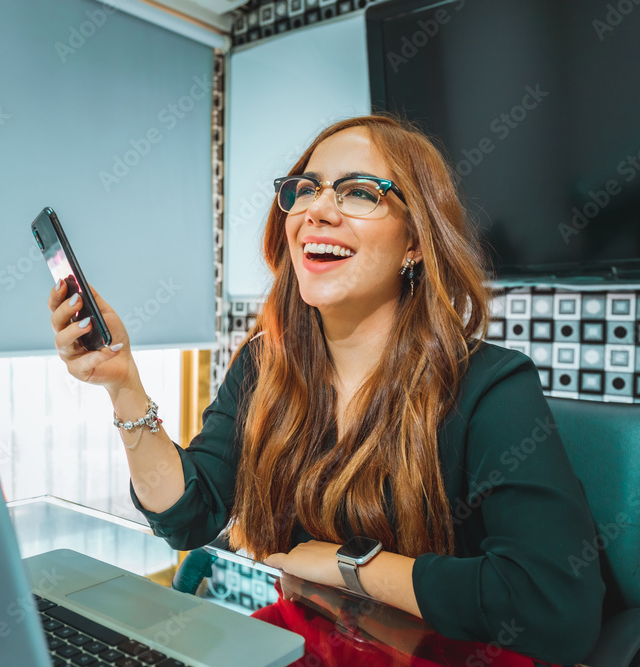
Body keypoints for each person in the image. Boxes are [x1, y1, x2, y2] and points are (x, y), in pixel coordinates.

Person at [46, 113, 605, 664]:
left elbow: (554, 607)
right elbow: (188, 516)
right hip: (305, 642)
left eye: (359, 192)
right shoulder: (266, 363)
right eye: (306, 190)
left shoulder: (491, 385)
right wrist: (123, 386)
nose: (317, 210)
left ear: (415, 241)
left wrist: (344, 564)